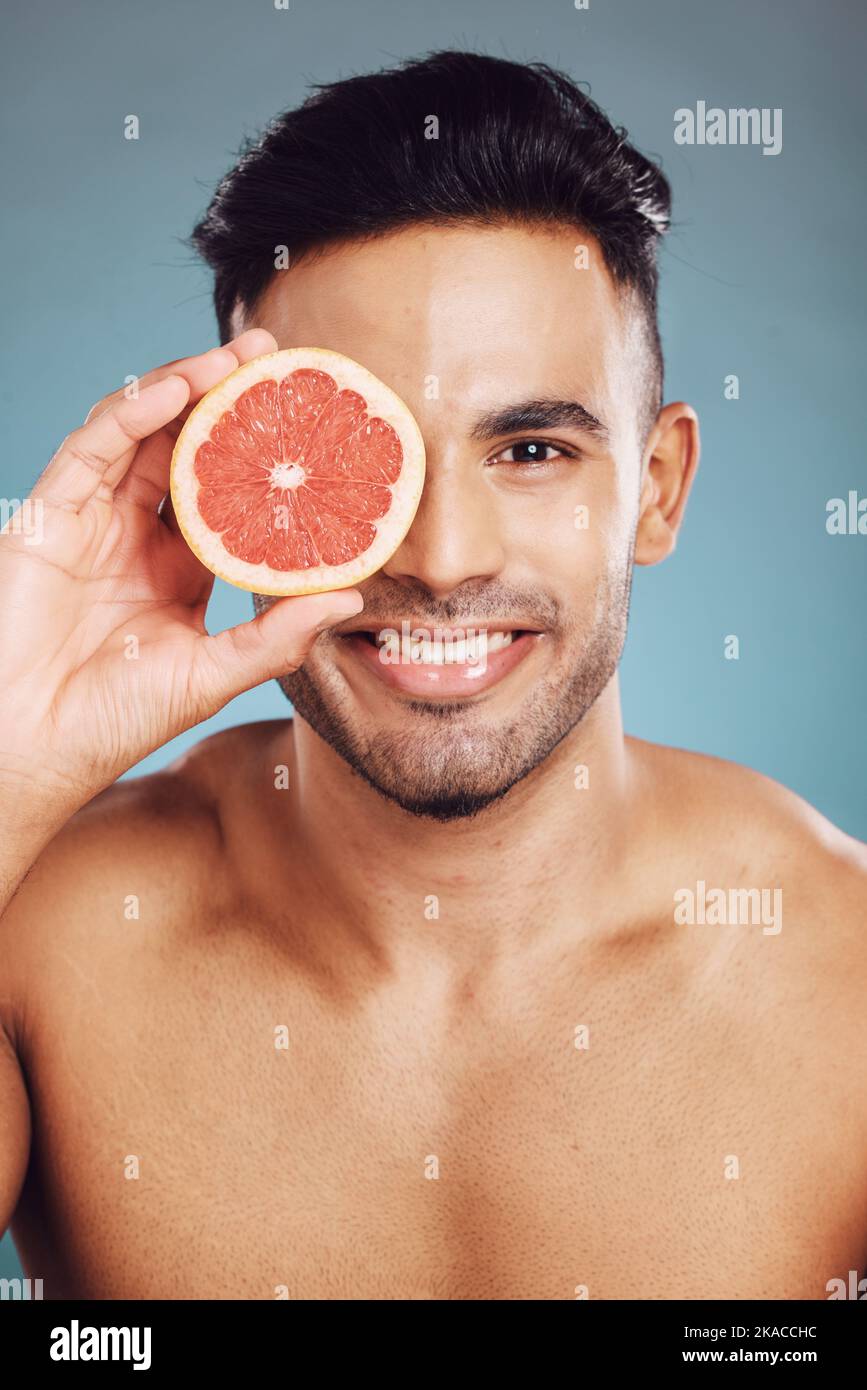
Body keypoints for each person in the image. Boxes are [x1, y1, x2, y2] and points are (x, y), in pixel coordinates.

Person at [0, 50, 864, 1302]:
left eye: (529, 447)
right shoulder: (44, 938)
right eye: (371, 455)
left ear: (658, 488)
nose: (442, 559)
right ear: (229, 482)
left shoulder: (843, 968)